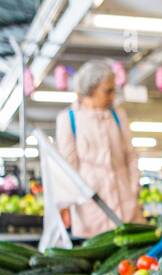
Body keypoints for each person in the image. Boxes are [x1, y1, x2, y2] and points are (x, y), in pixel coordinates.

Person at [54, 59, 143, 239]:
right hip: (91, 208)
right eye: (107, 91)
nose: (112, 96)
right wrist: (64, 204)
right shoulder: (69, 119)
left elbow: (131, 156)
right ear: (91, 89)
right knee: (100, 249)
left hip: (126, 203)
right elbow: (68, 168)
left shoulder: (118, 116)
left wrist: (134, 189)